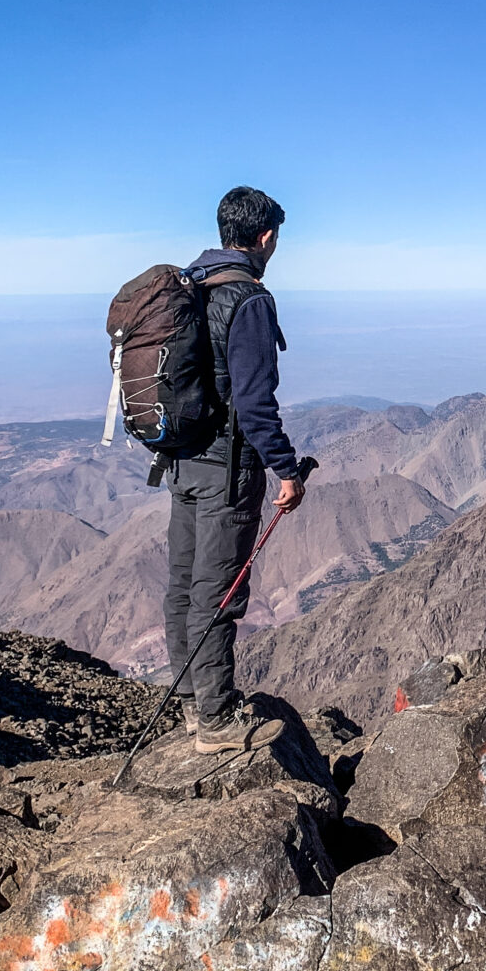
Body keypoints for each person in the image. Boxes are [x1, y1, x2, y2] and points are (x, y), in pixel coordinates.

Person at [165, 185, 305, 754]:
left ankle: (191, 706)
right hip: (227, 470)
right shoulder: (246, 299)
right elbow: (254, 402)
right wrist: (286, 469)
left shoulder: (188, 286)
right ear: (265, 237)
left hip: (182, 463)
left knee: (183, 582)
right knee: (218, 590)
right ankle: (217, 719)